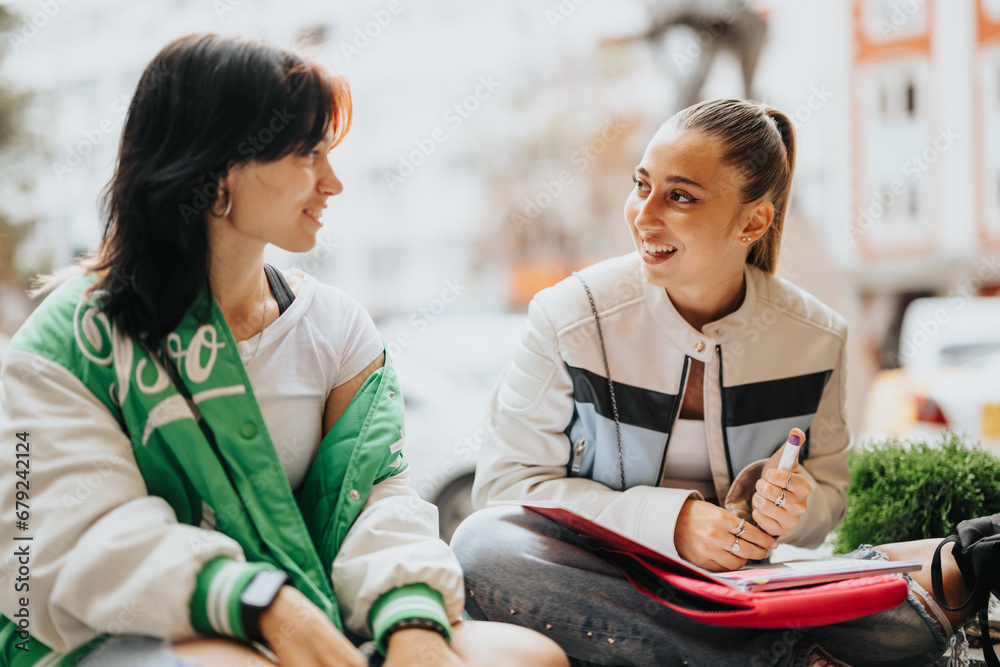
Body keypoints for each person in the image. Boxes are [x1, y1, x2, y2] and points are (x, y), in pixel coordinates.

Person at [0, 33, 567, 667]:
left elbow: (376, 501)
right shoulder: (71, 339)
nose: (334, 183)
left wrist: (412, 623)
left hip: (310, 613)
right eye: (308, 154)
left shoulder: (335, 326)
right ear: (215, 167)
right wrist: (265, 604)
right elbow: (71, 540)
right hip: (123, 635)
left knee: (526, 656)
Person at [451, 98, 855, 664]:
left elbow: (831, 497)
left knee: (907, 598)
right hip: (606, 580)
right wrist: (671, 522)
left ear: (753, 222)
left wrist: (796, 511)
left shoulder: (818, 338)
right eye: (642, 185)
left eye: (680, 196)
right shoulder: (570, 317)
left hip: (744, 589)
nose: (644, 215)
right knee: (482, 547)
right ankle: (777, 657)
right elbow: (502, 488)